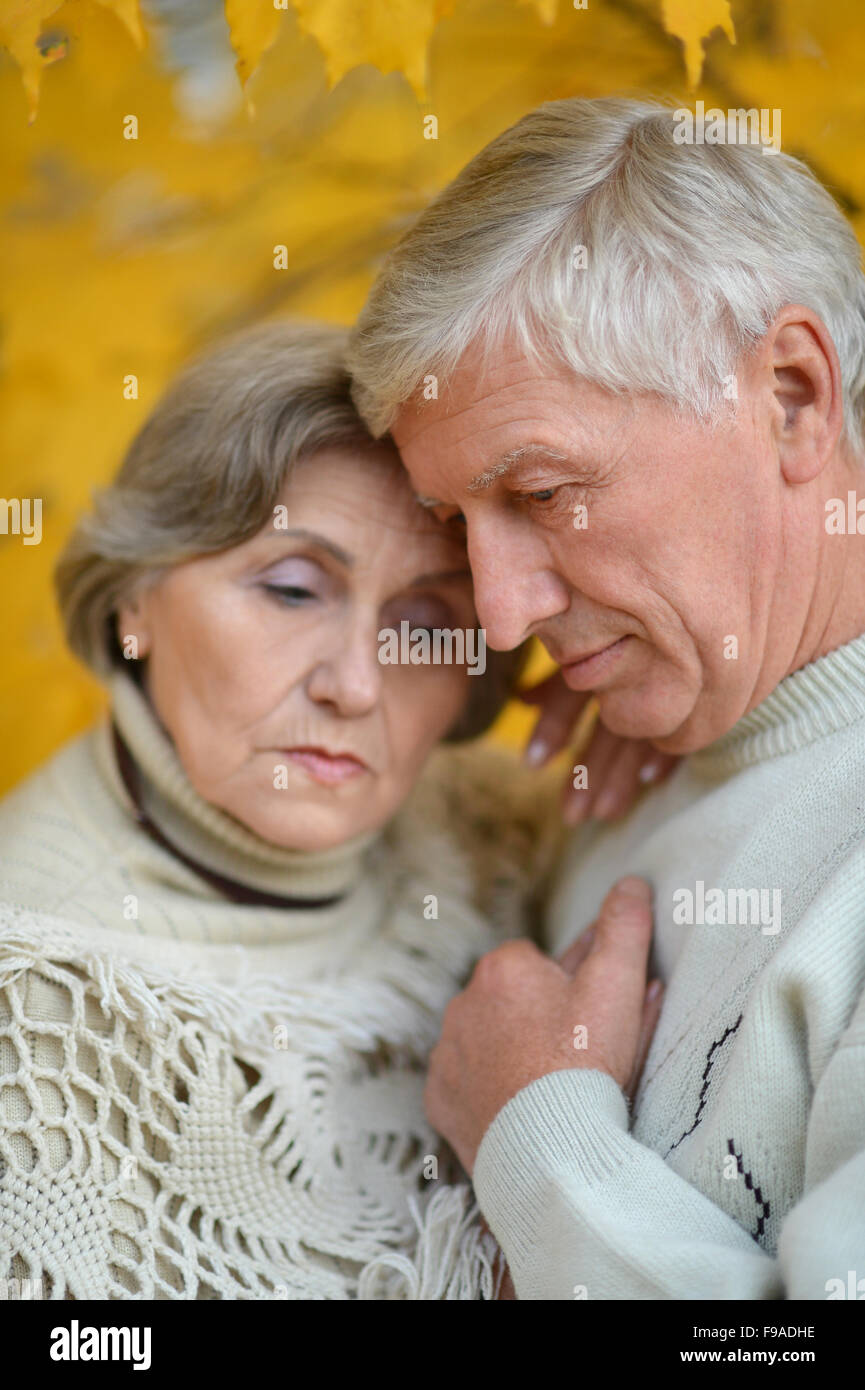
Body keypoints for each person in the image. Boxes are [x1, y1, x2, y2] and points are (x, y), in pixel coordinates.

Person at [348, 95, 865, 1299]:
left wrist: (539, 1143)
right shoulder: (626, 755)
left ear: (790, 394)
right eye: (454, 526)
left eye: (538, 494)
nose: (503, 615)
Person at [0, 319, 578, 1300]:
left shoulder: (498, 829)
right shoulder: (39, 1013)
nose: (354, 685)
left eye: (424, 622)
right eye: (292, 589)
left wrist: (653, 717)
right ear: (135, 598)